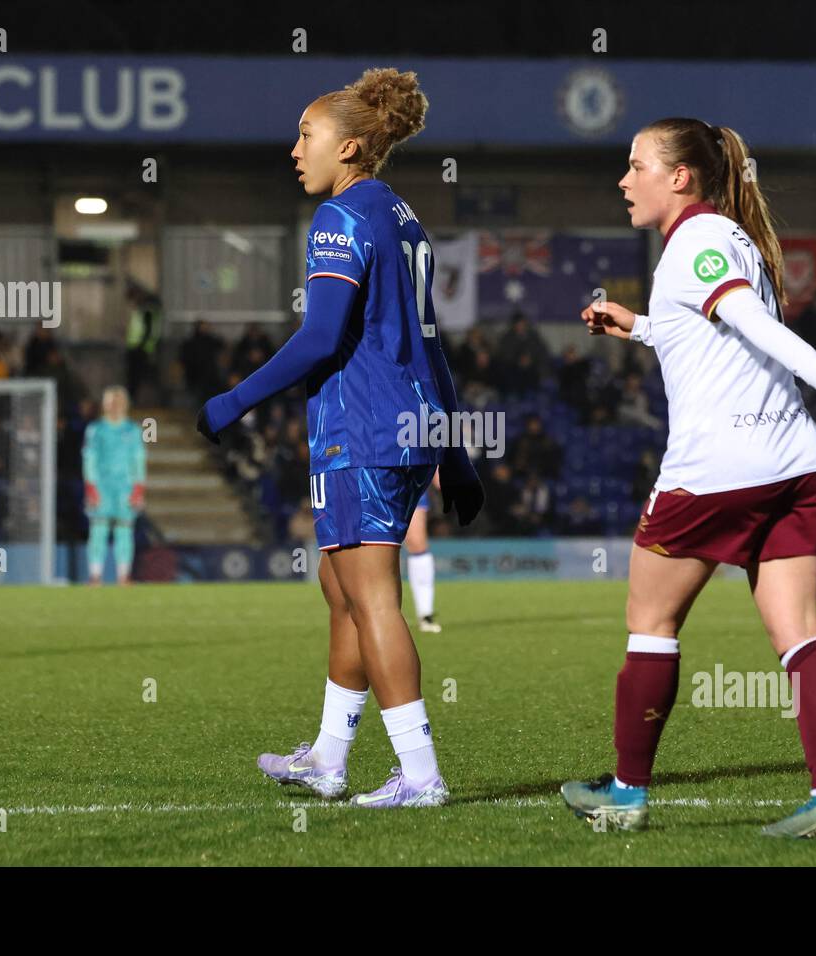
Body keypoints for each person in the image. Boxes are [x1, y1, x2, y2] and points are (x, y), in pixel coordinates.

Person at [566, 116, 816, 837]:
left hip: (717, 470)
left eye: (636, 165)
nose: (625, 180)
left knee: (650, 624)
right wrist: (642, 326)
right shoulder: (729, 236)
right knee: (802, 633)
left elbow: (746, 318)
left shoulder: (698, 240)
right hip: (797, 465)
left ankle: (625, 794)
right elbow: (717, 332)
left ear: (679, 176)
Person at [196, 69, 483, 809]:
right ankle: (327, 756)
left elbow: (321, 338)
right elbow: (431, 343)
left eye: (307, 134)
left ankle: (419, 775)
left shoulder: (341, 217)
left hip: (363, 431)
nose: (294, 149)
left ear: (349, 145)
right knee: (340, 587)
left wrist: (235, 400)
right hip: (408, 425)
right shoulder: (401, 215)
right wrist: (453, 452)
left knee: (370, 596)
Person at [82, 385, 146, 585]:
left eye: (119, 402)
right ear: (105, 405)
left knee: (124, 531)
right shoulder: (96, 430)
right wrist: (91, 486)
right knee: (98, 530)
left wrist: (139, 487)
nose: (115, 406)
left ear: (125, 405)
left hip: (125, 487)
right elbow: (89, 458)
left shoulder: (132, 430)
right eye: (111, 402)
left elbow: (138, 459)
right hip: (101, 486)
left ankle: (124, 575)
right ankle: (95, 575)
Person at [403, 470, 441, 633]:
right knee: (377, 547)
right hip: (373, 471)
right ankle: (378, 610)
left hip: (410, 477)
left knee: (417, 543)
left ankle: (425, 613)